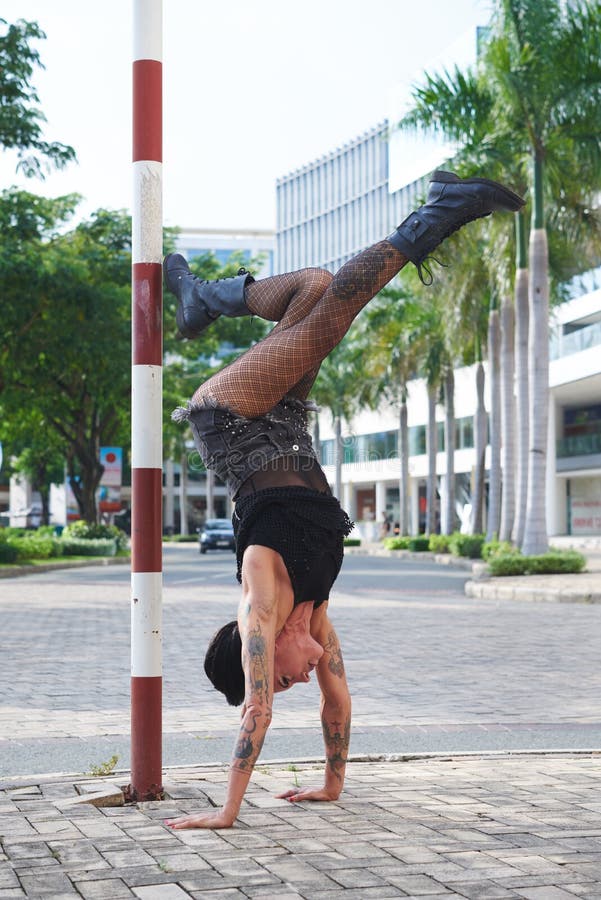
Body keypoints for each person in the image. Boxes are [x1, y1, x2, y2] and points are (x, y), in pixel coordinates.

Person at [163, 171, 524, 829]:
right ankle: (202, 296)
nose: (299, 680)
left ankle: (439, 213)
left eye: (283, 679)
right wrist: (331, 784)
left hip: (234, 423)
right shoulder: (316, 621)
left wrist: (227, 811)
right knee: (317, 288)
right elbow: (338, 702)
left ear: (262, 658)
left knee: (333, 310)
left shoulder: (261, 600)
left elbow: (256, 710)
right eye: (293, 680)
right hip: (289, 422)